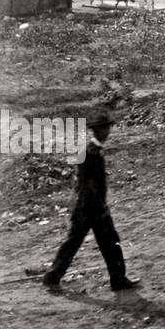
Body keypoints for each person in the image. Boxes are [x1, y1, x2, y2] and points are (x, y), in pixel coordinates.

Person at [36, 111, 138, 292]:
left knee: (91, 242)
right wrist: (100, 207)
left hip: (86, 206)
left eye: (107, 128)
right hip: (90, 207)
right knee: (100, 242)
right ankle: (53, 277)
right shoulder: (91, 152)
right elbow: (88, 185)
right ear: (96, 131)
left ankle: (53, 277)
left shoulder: (91, 150)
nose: (107, 132)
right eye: (103, 129)